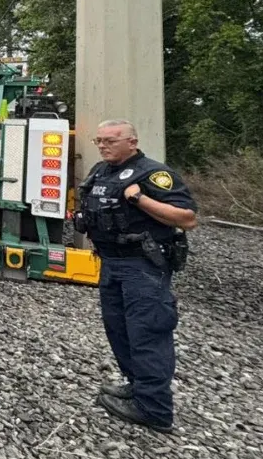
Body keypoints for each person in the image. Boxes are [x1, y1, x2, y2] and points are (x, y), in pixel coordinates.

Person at [75, 119, 198, 433]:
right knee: (119, 330)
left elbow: (186, 218)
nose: (103, 146)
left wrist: (140, 199)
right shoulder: (101, 172)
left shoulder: (153, 174)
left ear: (132, 141)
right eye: (99, 141)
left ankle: (155, 409)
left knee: (147, 332)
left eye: (110, 141)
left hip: (142, 267)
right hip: (111, 264)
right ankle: (137, 388)